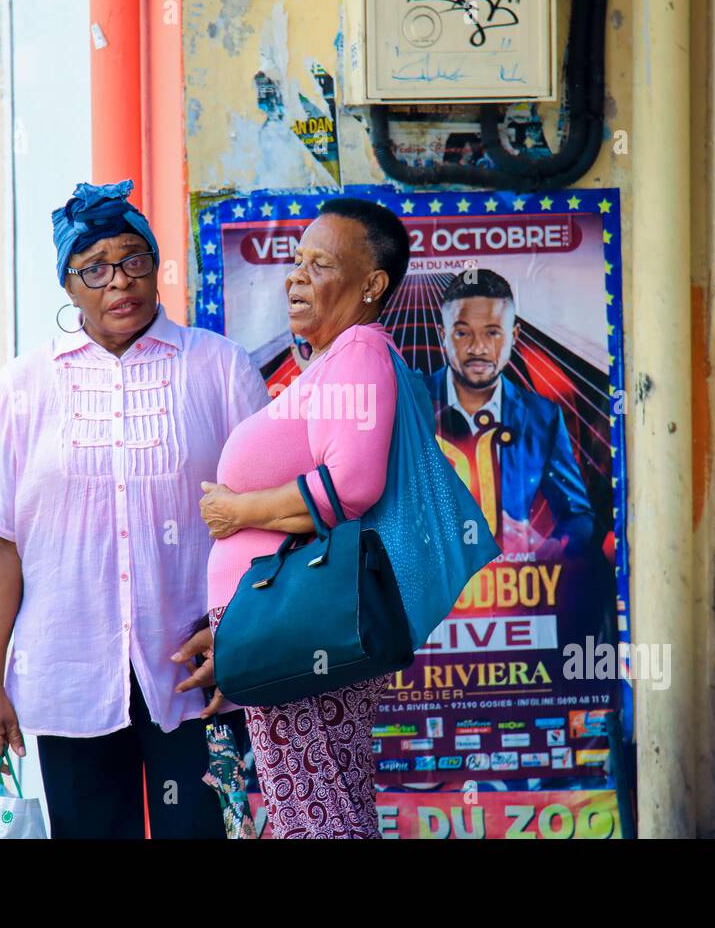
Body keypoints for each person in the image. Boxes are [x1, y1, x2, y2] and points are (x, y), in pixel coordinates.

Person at [0, 179, 267, 838]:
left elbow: (271, 520)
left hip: (200, 677)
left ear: (156, 267)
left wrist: (242, 630)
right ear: (67, 287)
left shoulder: (220, 370)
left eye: (133, 260)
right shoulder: (23, 388)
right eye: (94, 269)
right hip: (69, 676)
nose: (119, 282)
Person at [192, 197, 409, 838]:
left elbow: (351, 487)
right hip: (286, 625)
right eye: (295, 262)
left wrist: (237, 511)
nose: (296, 276)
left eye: (319, 264)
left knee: (319, 813)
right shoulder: (335, 360)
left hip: (305, 625)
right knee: (308, 806)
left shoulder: (360, 353)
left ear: (371, 285)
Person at [429, 268, 594, 557]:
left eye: (492, 333)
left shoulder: (543, 418)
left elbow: (577, 516)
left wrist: (548, 548)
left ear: (513, 335)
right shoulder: (408, 407)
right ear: (444, 335)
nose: (478, 347)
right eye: (462, 332)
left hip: (514, 590)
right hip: (431, 593)